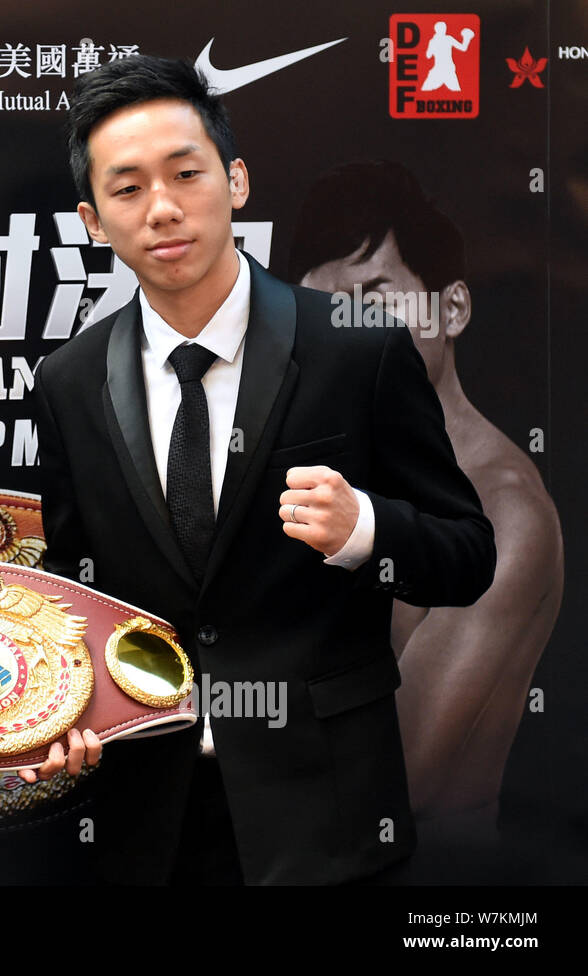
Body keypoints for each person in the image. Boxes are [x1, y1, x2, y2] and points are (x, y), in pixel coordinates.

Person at [33, 56, 496, 884]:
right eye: (128, 188)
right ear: (92, 220)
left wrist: (368, 531)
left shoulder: (357, 348)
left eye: (186, 173)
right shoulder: (70, 381)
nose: (164, 208)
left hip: (329, 816)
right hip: (148, 819)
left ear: (236, 179)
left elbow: (468, 557)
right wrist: (65, 711)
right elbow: (77, 591)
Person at [290, 160, 563, 842]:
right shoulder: (325, 469)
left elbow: (398, 779)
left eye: (374, 298)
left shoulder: (509, 514)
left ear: (454, 308)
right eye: (320, 310)